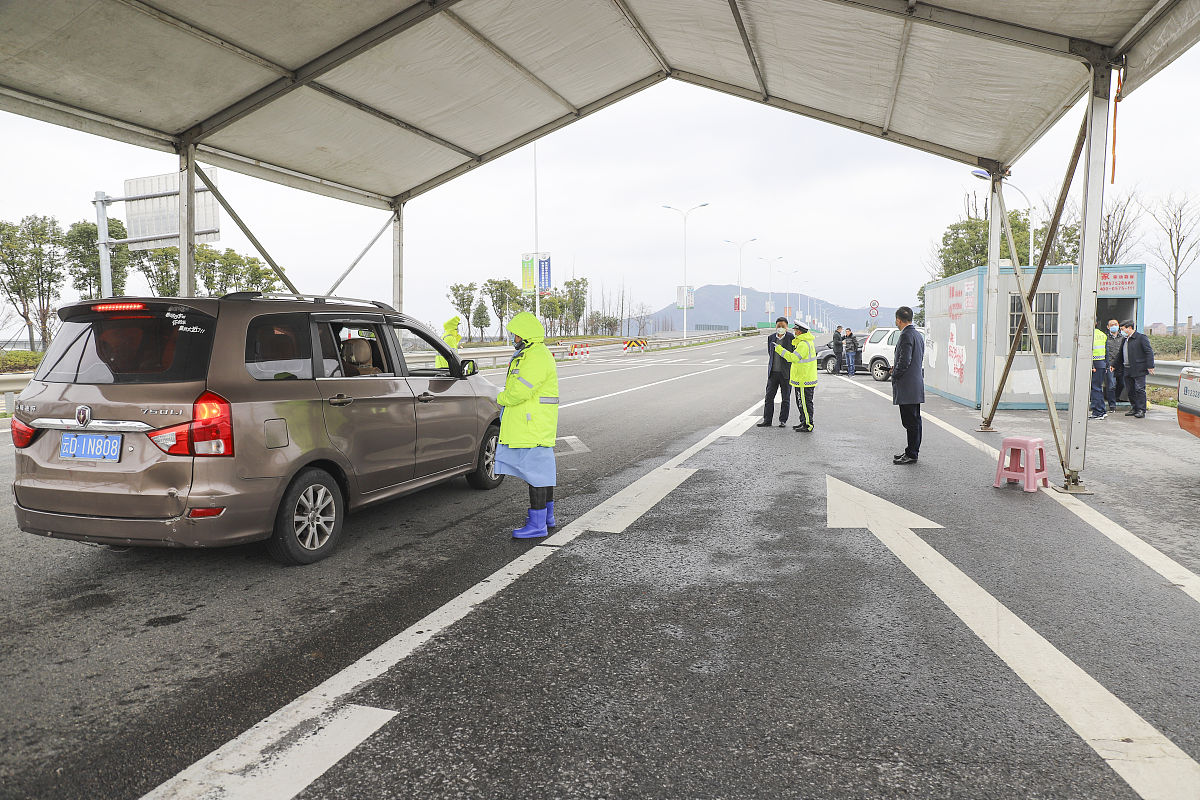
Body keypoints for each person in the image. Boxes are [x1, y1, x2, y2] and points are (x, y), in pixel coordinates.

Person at [495, 312, 559, 538]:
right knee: (541, 472)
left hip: (534, 424)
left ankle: (538, 524)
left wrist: (500, 398)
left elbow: (521, 390)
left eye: (516, 333)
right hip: (532, 422)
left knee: (537, 475)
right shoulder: (530, 353)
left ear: (526, 335)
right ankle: (546, 517)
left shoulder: (536, 355)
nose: (514, 337)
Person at [891, 307, 925, 465]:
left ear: (898, 319)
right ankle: (911, 451)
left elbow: (904, 361)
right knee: (915, 421)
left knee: (910, 422)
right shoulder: (917, 334)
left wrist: (895, 374)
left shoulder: (905, 335)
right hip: (915, 384)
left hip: (907, 385)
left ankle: (912, 453)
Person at [776, 320, 818, 432]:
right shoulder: (803, 342)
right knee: (801, 402)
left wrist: (780, 350)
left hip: (804, 379)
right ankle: (803, 421)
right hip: (802, 378)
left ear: (800, 332)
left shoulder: (804, 344)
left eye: (795, 330)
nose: (794, 331)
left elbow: (793, 358)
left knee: (805, 403)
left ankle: (808, 425)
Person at [757, 316, 793, 428]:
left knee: (785, 398)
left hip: (786, 373)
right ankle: (767, 420)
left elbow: (792, 354)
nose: (780, 328)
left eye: (783, 326)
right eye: (778, 326)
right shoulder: (771, 338)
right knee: (768, 397)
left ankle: (783, 420)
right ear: (775, 326)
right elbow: (770, 353)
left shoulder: (791, 338)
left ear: (787, 327)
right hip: (773, 372)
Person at [1118, 320, 1155, 419]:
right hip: (1127, 368)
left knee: (1139, 389)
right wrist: (1114, 364)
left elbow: (1149, 352)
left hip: (1139, 368)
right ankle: (1134, 407)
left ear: (1129, 328)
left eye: (1122, 329)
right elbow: (1120, 354)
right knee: (1130, 390)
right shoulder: (1125, 339)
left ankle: (1141, 410)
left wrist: (1150, 365)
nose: (1122, 331)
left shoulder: (1141, 338)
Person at [1088, 324, 1108, 420]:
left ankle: (1098, 411)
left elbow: (1088, 351)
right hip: (1101, 364)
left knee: (1095, 388)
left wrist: (1092, 365)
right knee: (1098, 388)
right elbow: (1107, 351)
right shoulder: (1102, 334)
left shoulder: (1089, 334)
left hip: (1094, 364)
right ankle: (1102, 411)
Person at [1103, 317, 1123, 412]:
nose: (1114, 326)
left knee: (1122, 384)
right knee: (1111, 385)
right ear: (1108, 327)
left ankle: (1117, 397)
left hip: (1121, 365)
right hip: (1110, 365)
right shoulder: (1105, 338)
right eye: (1112, 325)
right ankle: (1112, 405)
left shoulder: (1123, 338)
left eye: (1115, 324)